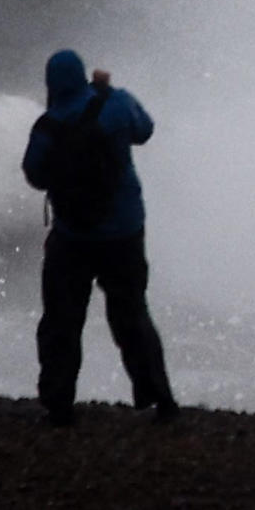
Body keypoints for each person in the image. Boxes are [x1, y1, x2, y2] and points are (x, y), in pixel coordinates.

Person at [21, 46, 176, 425]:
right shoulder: (116, 105)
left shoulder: (48, 126)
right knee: (131, 315)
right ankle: (160, 400)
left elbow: (35, 175)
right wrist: (107, 92)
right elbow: (145, 131)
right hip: (123, 231)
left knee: (62, 321)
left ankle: (58, 406)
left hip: (72, 236)